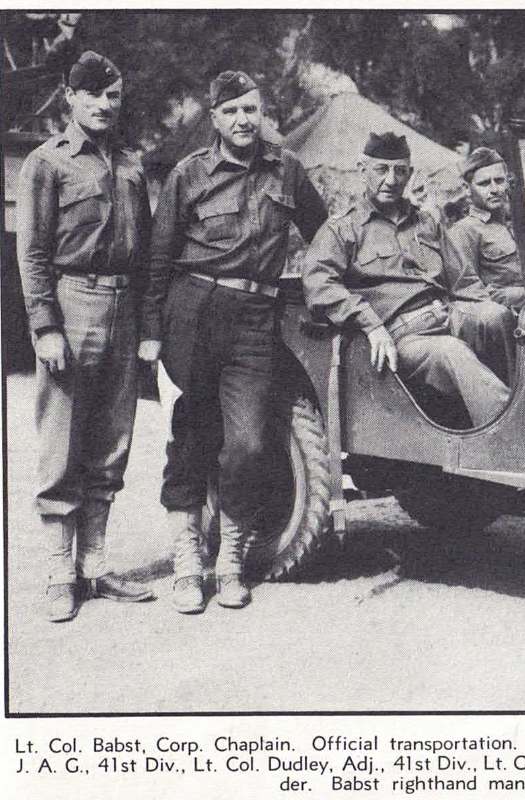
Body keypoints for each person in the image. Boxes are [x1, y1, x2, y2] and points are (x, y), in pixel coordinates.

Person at [138, 70, 327, 614]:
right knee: (195, 434)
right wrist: (151, 330)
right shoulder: (189, 174)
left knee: (247, 443)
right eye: (232, 112)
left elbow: (326, 234)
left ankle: (231, 563)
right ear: (215, 119)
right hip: (194, 310)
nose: (244, 120)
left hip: (254, 318)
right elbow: (159, 256)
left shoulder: (287, 169)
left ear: (262, 113)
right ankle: (187, 562)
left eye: (251, 109)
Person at [16, 50, 155, 622]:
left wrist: (148, 329)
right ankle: (57, 572)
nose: (103, 105)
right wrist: (46, 327)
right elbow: (33, 254)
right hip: (72, 305)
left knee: (111, 441)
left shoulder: (132, 164)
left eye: (113, 96)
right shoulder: (46, 163)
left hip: (124, 309)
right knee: (61, 442)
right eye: (92, 94)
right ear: (70, 98)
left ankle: (95, 568)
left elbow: (145, 257)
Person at [303, 131, 513, 428]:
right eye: (381, 170)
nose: (391, 180)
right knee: (452, 352)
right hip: (403, 337)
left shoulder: (426, 223)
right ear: (362, 170)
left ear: (409, 173)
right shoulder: (343, 230)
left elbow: (464, 282)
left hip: (447, 315)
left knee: (497, 317)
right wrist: (370, 324)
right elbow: (319, 284)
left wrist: (484, 307)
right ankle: (508, 435)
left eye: (400, 171)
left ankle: (510, 409)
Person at [446, 147, 525, 311]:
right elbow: (469, 292)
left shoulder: (520, 223)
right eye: (484, 183)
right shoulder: (464, 231)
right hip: (510, 318)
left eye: (499, 180)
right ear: (467, 189)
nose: (495, 189)